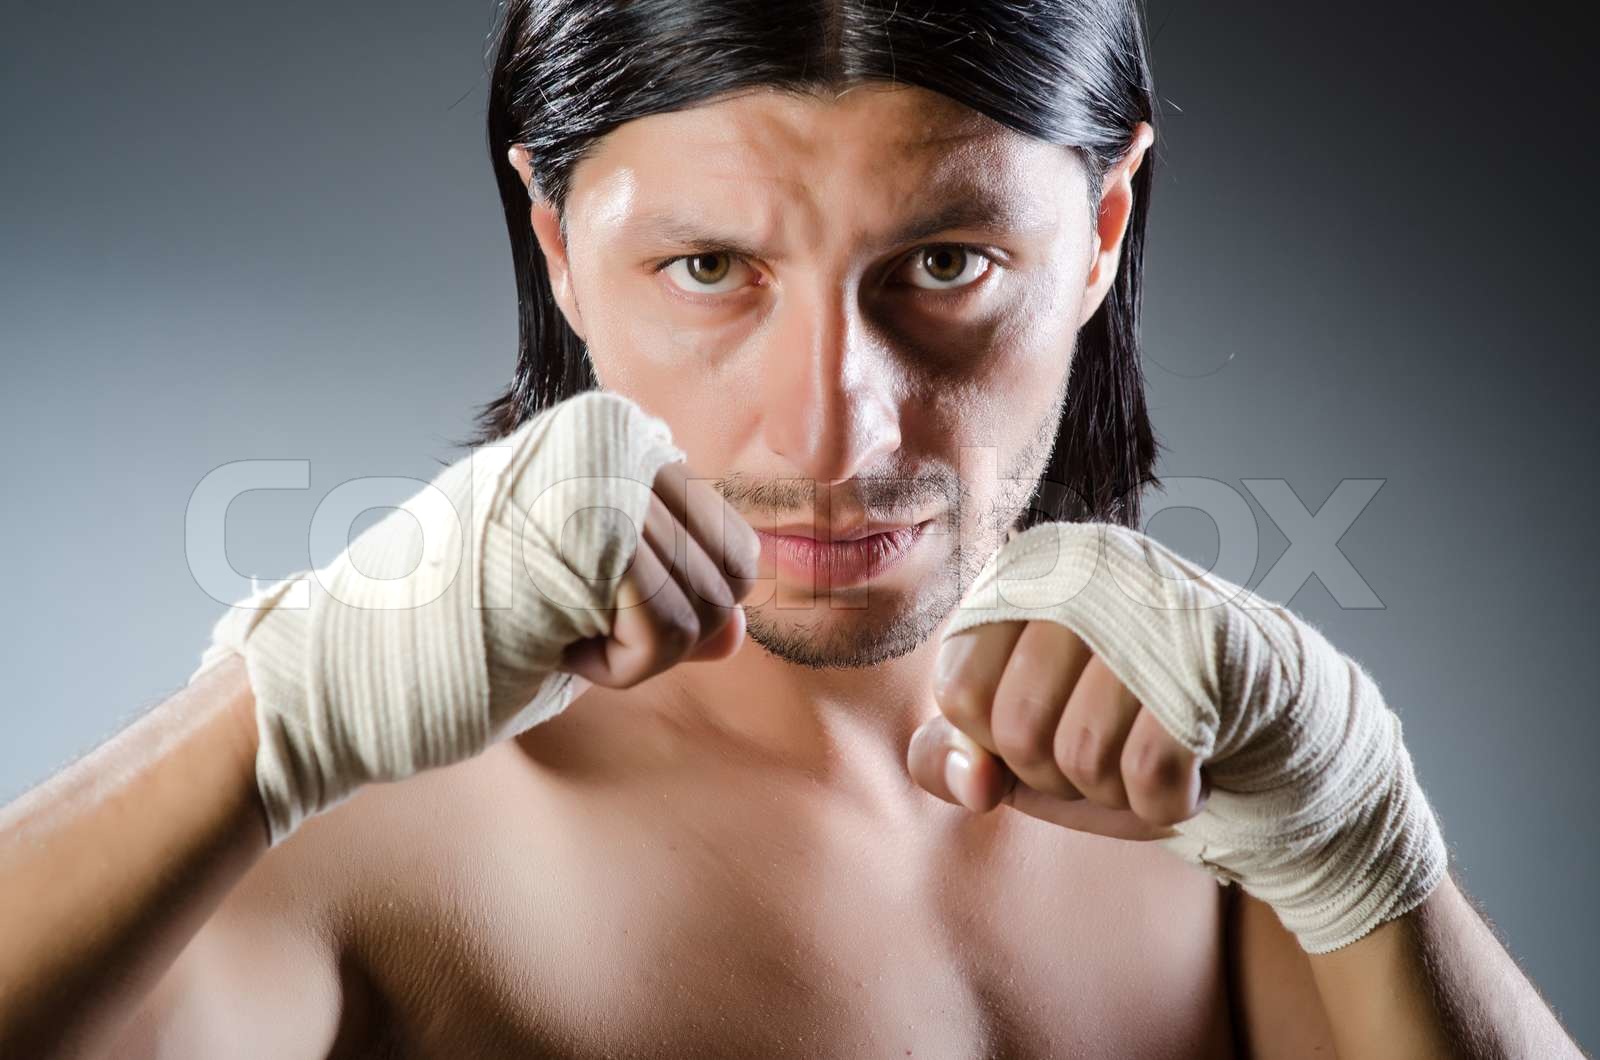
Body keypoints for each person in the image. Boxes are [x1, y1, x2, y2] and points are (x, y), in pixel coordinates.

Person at [0, 1, 1583, 1055]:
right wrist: (269, 719)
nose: (835, 431)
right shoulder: (373, 847)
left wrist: (1379, 857)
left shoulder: (1221, 812)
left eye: (947, 263)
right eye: (708, 268)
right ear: (557, 248)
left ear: (1098, 234)